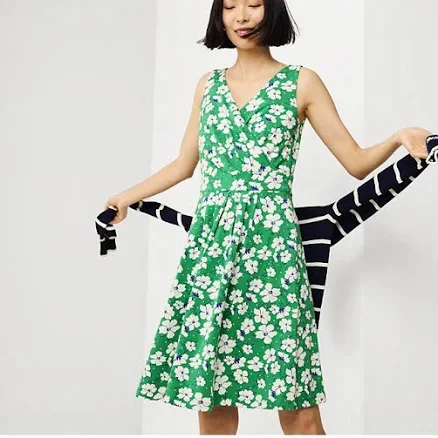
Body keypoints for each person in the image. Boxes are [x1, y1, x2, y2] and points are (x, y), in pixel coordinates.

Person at [103, 0, 431, 434]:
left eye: (254, 4)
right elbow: (184, 165)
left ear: (271, 10)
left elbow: (355, 162)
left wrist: (397, 138)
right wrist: (126, 197)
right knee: (212, 398)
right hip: (213, 250)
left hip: (273, 248)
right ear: (219, 16)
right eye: (230, 6)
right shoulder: (208, 86)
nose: (241, 16)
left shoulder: (302, 82)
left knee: (298, 406)